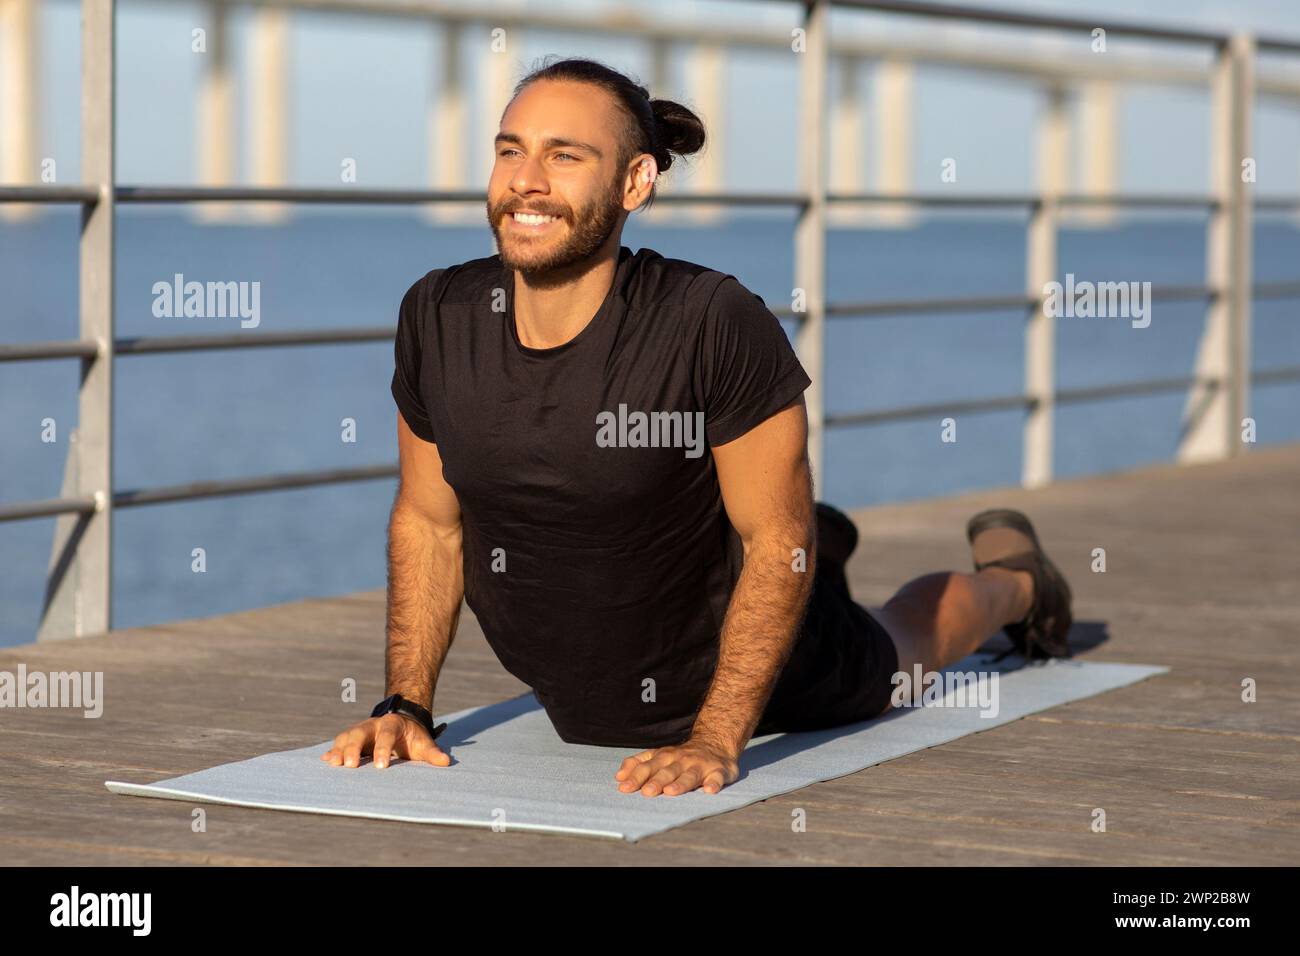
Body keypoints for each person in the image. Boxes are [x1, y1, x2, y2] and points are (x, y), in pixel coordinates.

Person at [321, 56, 1074, 798]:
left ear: (635, 182)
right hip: (585, 690)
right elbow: (428, 521)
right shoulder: (438, 315)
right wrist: (406, 704)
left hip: (749, 667)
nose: (526, 180)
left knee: (902, 646)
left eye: (565, 156)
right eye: (510, 149)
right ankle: (839, 545)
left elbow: (779, 543)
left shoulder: (710, 320)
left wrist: (715, 738)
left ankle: (1014, 583)